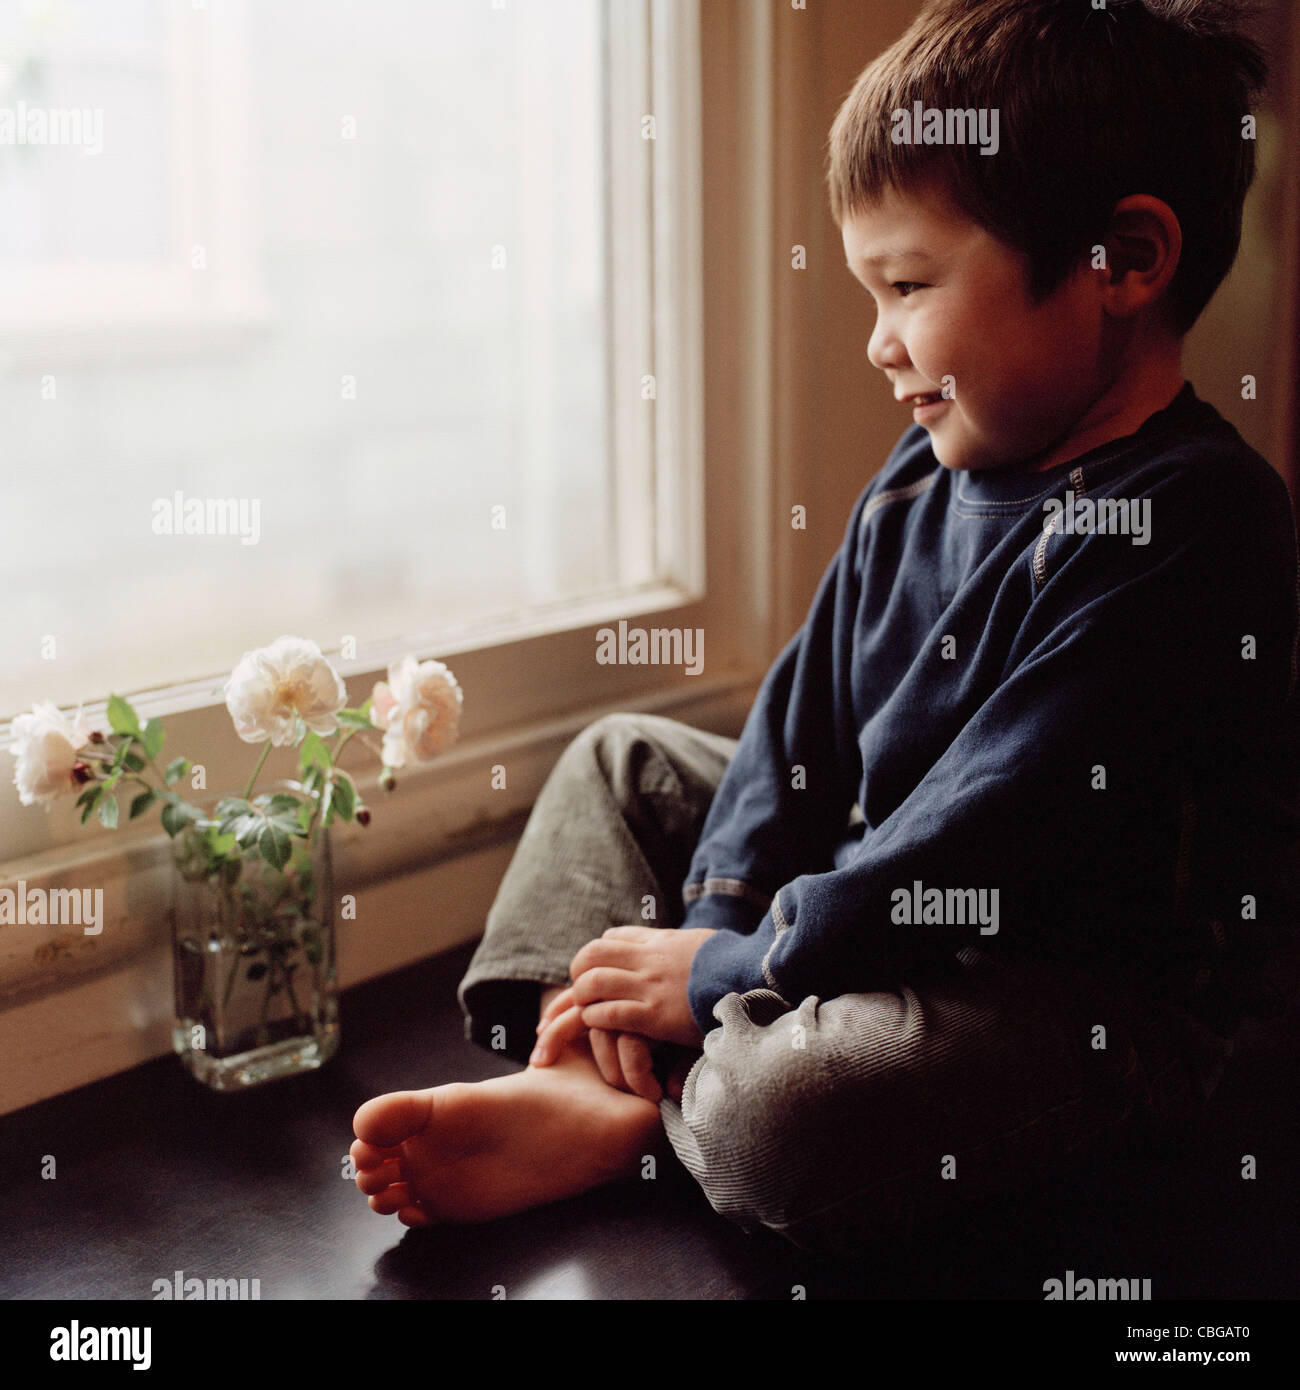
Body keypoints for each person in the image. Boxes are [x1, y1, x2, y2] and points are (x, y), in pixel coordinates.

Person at [350, 0, 1299, 1253]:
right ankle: (598, 1064)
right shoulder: (915, 479)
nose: (876, 342)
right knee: (620, 759)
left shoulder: (1192, 519)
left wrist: (728, 972)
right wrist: (720, 919)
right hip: (869, 905)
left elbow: (991, 833)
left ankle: (651, 1102)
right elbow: (792, 732)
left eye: (906, 284)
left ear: (1119, 260)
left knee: (780, 1120)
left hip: (1079, 991)